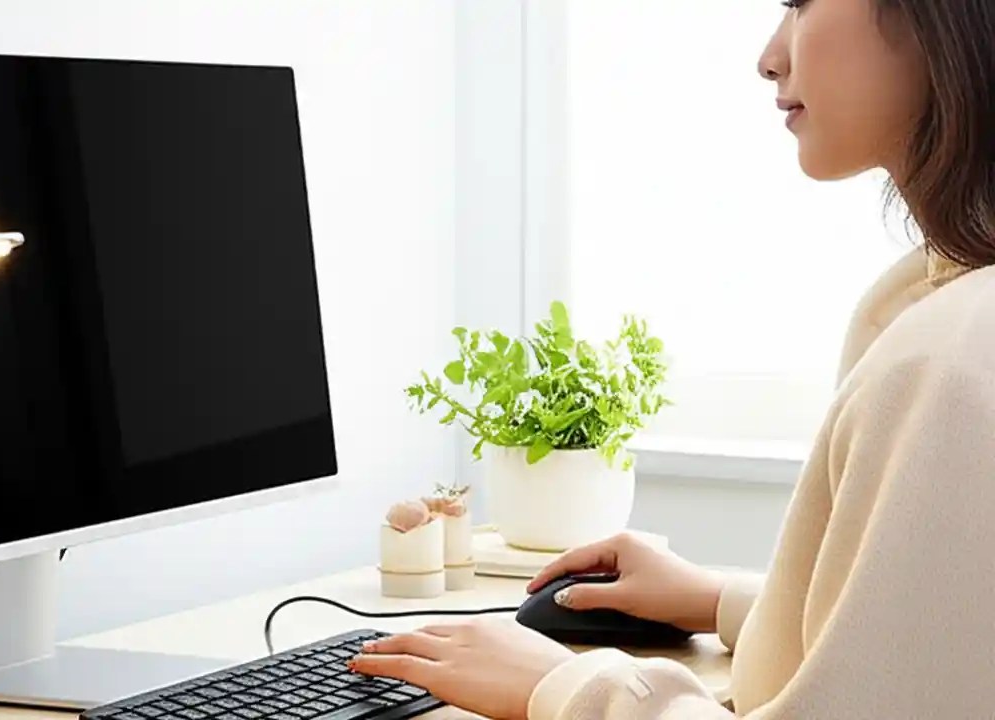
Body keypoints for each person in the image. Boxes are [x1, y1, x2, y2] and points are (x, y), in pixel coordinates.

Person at [348, 1, 995, 717]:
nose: (771, 57)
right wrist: (723, 600)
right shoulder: (946, 309)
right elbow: (939, 661)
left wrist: (559, 685)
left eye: (800, 3)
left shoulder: (951, 359)